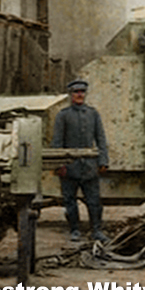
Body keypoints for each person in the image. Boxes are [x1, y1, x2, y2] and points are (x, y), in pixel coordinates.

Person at [50, 79, 110, 243]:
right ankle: (74, 230)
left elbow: (101, 139)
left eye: (82, 92)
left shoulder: (93, 114)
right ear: (70, 95)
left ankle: (96, 230)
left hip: (89, 166)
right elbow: (57, 142)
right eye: (76, 92)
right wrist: (59, 165)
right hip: (69, 167)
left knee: (94, 201)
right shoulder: (63, 115)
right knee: (70, 201)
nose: (79, 95)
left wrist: (103, 161)